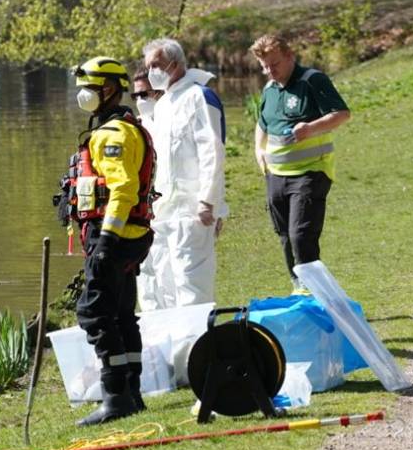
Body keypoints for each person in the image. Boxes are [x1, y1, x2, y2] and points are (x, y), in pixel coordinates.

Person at [66, 57, 156, 425]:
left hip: (116, 238)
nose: (83, 95)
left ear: (108, 90)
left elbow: (122, 188)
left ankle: (116, 396)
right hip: (130, 236)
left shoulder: (113, 135)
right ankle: (132, 392)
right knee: (121, 315)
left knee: (96, 315)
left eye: (88, 88)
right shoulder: (123, 127)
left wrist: (105, 240)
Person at [250, 34, 351, 294]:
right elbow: (262, 124)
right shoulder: (269, 89)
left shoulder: (312, 81)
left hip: (310, 172)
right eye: (264, 67)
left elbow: (341, 114)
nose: (270, 72)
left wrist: (311, 128)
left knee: (301, 236)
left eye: (275, 64)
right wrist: (259, 151)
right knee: (284, 236)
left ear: (290, 57)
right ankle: (298, 287)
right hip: (276, 175)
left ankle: (314, 293)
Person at [136, 38, 228, 311]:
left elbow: (212, 150)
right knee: (161, 282)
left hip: (192, 210)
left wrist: (209, 201)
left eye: (156, 65)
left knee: (191, 283)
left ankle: (197, 345)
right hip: (163, 209)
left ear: (175, 64)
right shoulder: (163, 104)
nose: (152, 72)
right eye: (148, 66)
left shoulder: (199, 96)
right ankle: (170, 347)